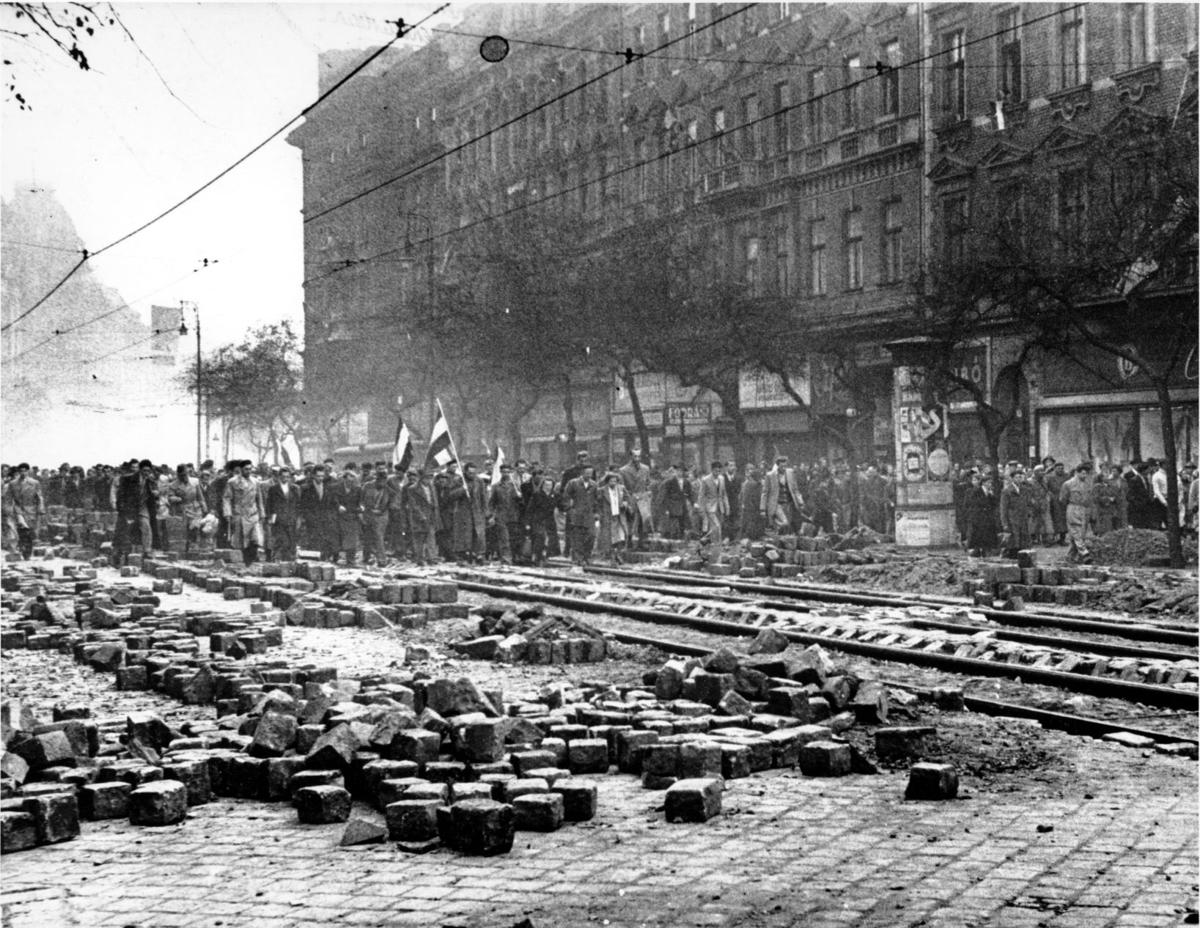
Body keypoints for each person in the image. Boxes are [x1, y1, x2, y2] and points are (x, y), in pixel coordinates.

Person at [223, 460, 264, 564]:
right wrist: (227, 512)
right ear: (241, 470)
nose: (249, 471)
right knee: (241, 541)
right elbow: (227, 498)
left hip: (253, 513)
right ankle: (242, 563)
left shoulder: (255, 482)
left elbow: (259, 498)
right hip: (239, 514)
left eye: (250, 469)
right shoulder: (232, 482)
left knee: (255, 539)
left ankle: (252, 561)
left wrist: (262, 512)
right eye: (246, 469)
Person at [448, 462, 489, 563]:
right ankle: (462, 556)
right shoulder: (458, 481)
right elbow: (451, 496)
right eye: (470, 473)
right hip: (463, 513)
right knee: (464, 536)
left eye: (474, 473)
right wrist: (462, 489)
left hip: (476, 512)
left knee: (478, 535)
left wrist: (485, 512)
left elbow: (484, 497)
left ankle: (478, 555)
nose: (472, 475)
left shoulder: (479, 481)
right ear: (465, 472)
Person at [3, 463, 44, 560]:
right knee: (21, 532)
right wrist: (8, 510)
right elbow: (8, 498)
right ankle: (23, 551)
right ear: (19, 472)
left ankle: (27, 552)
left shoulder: (35, 483)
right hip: (18, 510)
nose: (23, 473)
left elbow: (39, 497)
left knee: (30, 533)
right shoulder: (13, 483)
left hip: (31, 510)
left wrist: (41, 509)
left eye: (25, 471)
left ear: (28, 471)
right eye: (21, 471)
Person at [562, 463, 599, 566]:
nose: (589, 475)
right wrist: (569, 510)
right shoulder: (573, 483)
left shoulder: (594, 485)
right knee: (577, 538)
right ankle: (577, 558)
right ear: (582, 473)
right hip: (576, 515)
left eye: (591, 473)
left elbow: (596, 500)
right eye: (587, 473)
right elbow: (565, 497)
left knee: (591, 536)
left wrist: (596, 512)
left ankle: (587, 557)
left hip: (589, 515)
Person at [167, 463, 208, 555]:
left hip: (194, 508)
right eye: (182, 475)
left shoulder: (195, 482)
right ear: (178, 475)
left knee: (194, 527)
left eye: (185, 474)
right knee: (184, 530)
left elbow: (200, 496)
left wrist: (204, 506)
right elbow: (169, 497)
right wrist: (176, 499)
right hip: (182, 508)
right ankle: (184, 548)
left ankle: (193, 546)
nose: (184, 477)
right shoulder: (173, 485)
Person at [1061, 462, 1096, 564]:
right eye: (1083, 473)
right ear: (1077, 473)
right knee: (1076, 532)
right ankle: (1085, 554)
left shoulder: (1088, 484)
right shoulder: (1068, 484)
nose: (1084, 476)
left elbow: (1090, 499)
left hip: (1084, 509)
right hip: (1073, 508)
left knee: (1078, 535)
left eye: (1086, 474)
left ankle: (1069, 557)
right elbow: (1063, 499)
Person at [761, 456, 804, 534]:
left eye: (785, 466)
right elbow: (765, 493)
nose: (784, 468)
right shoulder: (770, 475)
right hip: (777, 504)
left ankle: (781, 540)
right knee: (785, 523)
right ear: (777, 465)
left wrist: (800, 502)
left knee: (789, 528)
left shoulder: (790, 473)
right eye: (782, 466)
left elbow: (795, 489)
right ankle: (775, 525)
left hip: (789, 504)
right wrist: (762, 509)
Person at [404, 469, 439, 565]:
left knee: (431, 537)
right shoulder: (412, 489)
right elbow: (413, 504)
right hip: (418, 517)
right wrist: (421, 515)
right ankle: (420, 558)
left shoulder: (432, 487)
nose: (429, 480)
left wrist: (435, 513)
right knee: (419, 538)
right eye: (427, 478)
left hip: (431, 515)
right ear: (421, 478)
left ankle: (432, 558)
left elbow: (434, 501)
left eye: (430, 478)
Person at [597, 471, 633, 564]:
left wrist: (625, 503)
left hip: (620, 516)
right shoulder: (602, 490)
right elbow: (598, 504)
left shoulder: (621, 489)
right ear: (607, 481)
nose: (613, 483)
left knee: (621, 536)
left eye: (615, 481)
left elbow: (627, 498)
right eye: (611, 481)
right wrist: (600, 514)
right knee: (611, 537)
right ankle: (612, 556)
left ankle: (618, 554)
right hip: (609, 516)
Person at [489, 464, 522, 565]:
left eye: (508, 472)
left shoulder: (516, 486)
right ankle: (506, 559)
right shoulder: (496, 486)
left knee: (514, 539)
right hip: (501, 516)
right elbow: (491, 503)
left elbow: (522, 503)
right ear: (500, 472)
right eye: (504, 472)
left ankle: (514, 557)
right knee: (504, 539)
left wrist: (520, 497)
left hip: (514, 516)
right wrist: (491, 516)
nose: (506, 474)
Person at [265, 466, 301, 561]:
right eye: (283, 476)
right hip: (279, 519)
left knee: (291, 540)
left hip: (291, 518)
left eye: (287, 476)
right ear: (279, 477)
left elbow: (298, 504)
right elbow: (269, 504)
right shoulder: (273, 489)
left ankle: (289, 561)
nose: (285, 478)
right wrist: (270, 517)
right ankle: (277, 560)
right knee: (280, 540)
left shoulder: (295, 488)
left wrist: (298, 518)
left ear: (290, 477)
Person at [619, 449, 653, 546]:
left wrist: (648, 491)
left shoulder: (645, 468)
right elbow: (622, 487)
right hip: (631, 497)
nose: (637, 459)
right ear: (631, 457)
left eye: (639, 456)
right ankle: (628, 540)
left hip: (642, 497)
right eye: (635, 456)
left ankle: (642, 541)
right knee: (630, 519)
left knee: (644, 520)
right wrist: (626, 499)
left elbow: (648, 483)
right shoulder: (623, 470)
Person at [361, 465, 392, 567]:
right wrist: (363, 511)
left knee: (379, 537)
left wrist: (380, 511)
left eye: (384, 481)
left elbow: (390, 503)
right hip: (368, 514)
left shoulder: (388, 488)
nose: (382, 483)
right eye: (380, 481)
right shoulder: (367, 486)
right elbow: (361, 500)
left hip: (382, 516)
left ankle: (381, 560)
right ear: (376, 479)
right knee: (367, 537)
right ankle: (366, 557)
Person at [525, 476, 559, 566]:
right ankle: (536, 557)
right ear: (543, 485)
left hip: (549, 520)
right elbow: (530, 509)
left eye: (550, 485)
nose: (548, 487)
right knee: (540, 537)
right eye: (546, 485)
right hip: (538, 520)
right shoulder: (537, 494)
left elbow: (562, 505)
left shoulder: (555, 495)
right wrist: (527, 523)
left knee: (550, 539)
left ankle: (545, 557)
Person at [998, 468, 1032, 557]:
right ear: (1012, 479)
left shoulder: (1025, 490)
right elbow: (1003, 509)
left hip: (1023, 519)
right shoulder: (1007, 491)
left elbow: (1028, 503)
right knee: (1013, 543)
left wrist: (1028, 513)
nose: (1019, 479)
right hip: (1012, 520)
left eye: (1020, 477)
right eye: (1016, 477)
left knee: (1023, 543)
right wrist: (1005, 524)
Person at [963, 473, 997, 556]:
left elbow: (994, 504)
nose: (990, 485)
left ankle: (985, 551)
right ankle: (976, 551)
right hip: (978, 518)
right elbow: (973, 504)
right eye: (989, 483)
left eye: (991, 483)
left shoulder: (990, 493)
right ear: (984, 483)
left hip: (987, 518)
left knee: (987, 537)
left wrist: (991, 496)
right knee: (978, 537)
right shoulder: (976, 491)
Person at [697, 460, 730, 547]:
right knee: (716, 526)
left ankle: (710, 542)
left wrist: (727, 506)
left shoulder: (721, 479)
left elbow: (724, 494)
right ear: (712, 470)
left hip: (720, 506)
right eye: (716, 471)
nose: (717, 473)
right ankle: (717, 543)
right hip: (710, 506)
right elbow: (701, 495)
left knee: (717, 526)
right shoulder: (705, 480)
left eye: (719, 471)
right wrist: (701, 508)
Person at [660, 464, 688, 539]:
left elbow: (689, 493)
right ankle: (672, 538)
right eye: (678, 471)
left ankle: (681, 537)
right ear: (676, 471)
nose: (680, 473)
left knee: (682, 522)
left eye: (682, 471)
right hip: (673, 505)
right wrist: (666, 507)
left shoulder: (686, 482)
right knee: (673, 522)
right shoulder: (669, 482)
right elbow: (665, 495)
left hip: (683, 505)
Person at [1091, 467, 1120, 536]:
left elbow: (1116, 495)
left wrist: (1114, 498)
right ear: (1101, 478)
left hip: (1110, 510)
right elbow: (1095, 498)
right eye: (1105, 476)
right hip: (1101, 510)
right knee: (1103, 528)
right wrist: (1108, 499)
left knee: (1111, 528)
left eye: (1108, 475)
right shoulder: (1097, 487)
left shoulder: (1111, 486)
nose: (1108, 477)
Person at [738, 464, 764, 540]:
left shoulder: (748, 483)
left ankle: (745, 538)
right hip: (752, 508)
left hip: (748, 507)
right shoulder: (753, 484)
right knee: (751, 524)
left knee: (746, 524)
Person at [1046, 461, 1068, 544]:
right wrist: (1050, 495)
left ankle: (1062, 538)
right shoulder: (1049, 477)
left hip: (1064, 501)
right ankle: (1052, 538)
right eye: (1058, 468)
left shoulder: (1066, 476)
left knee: (1064, 520)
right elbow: (1046, 488)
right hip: (1054, 501)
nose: (1060, 470)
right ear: (1055, 469)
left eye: (1062, 468)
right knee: (1054, 519)